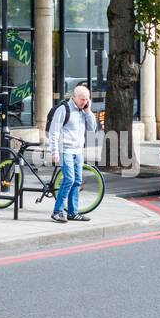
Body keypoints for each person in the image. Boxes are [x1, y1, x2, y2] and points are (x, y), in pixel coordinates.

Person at [47, 84, 98, 224]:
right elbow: (54, 132)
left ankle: (73, 213)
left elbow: (93, 128)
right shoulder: (64, 109)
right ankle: (57, 211)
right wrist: (54, 151)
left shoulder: (84, 111)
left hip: (78, 151)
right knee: (69, 180)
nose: (85, 102)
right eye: (82, 99)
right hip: (66, 151)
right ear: (74, 97)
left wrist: (88, 111)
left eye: (87, 99)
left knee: (77, 182)